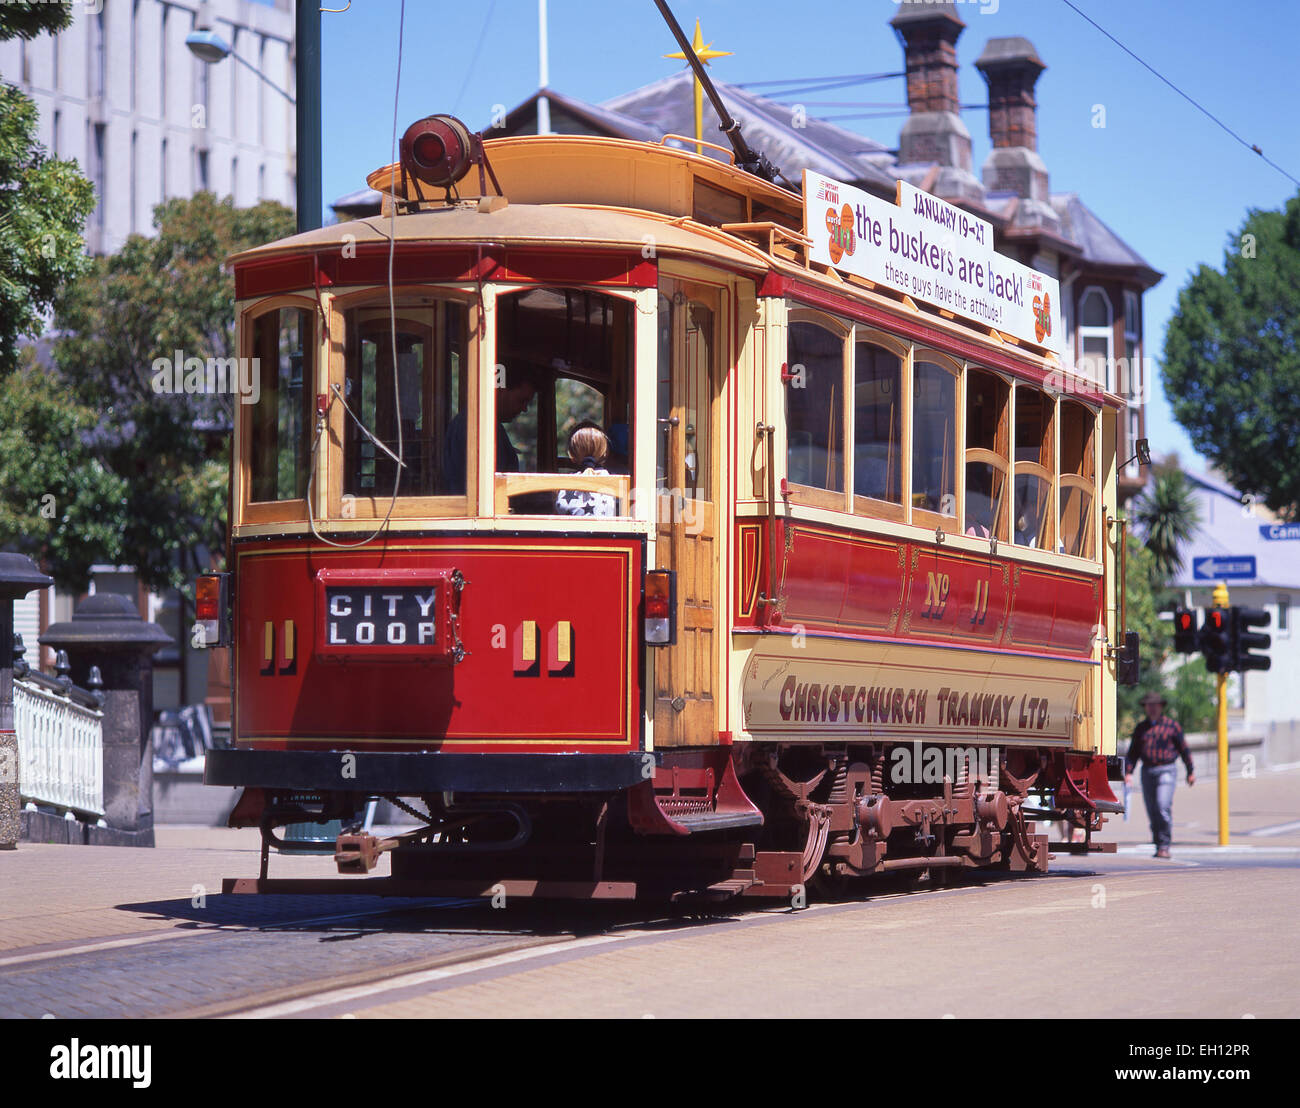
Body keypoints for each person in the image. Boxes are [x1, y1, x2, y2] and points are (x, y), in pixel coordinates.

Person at [440, 366, 538, 494]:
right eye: (521, 400)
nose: (524, 409)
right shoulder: (480, 425)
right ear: (500, 391)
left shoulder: (475, 421)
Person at [1124, 691, 1196, 859]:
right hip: (1147, 770)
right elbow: (1133, 752)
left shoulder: (1172, 726)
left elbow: (1184, 749)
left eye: (1155, 705)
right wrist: (1128, 772)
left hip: (1167, 770)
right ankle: (1158, 843)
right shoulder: (1141, 728)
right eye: (1149, 706)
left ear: (1161, 707)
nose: (1152, 709)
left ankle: (1165, 844)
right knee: (1152, 809)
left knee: (1162, 806)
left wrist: (1190, 771)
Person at [555, 425, 617, 517]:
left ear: (571, 454)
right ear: (605, 453)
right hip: (607, 530)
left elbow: (560, 509)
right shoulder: (613, 481)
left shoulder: (566, 482)